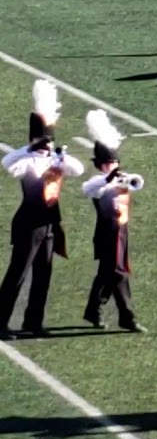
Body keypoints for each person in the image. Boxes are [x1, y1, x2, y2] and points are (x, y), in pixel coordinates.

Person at [0, 80, 84, 340]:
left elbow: (78, 170)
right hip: (29, 223)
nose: (47, 144)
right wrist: (29, 149)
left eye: (49, 140)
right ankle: (0, 322)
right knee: (18, 273)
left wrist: (60, 156)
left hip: (50, 223)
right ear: (34, 139)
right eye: (43, 140)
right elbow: (7, 164)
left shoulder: (54, 159)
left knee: (43, 275)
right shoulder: (25, 161)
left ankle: (34, 322)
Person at [81, 110, 144, 333]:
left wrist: (122, 178)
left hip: (122, 231)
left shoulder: (121, 178)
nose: (112, 165)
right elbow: (89, 189)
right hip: (108, 232)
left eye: (114, 162)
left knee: (108, 273)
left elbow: (138, 182)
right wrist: (108, 178)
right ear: (100, 165)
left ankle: (93, 311)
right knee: (118, 272)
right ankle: (127, 317)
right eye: (108, 163)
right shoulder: (97, 182)